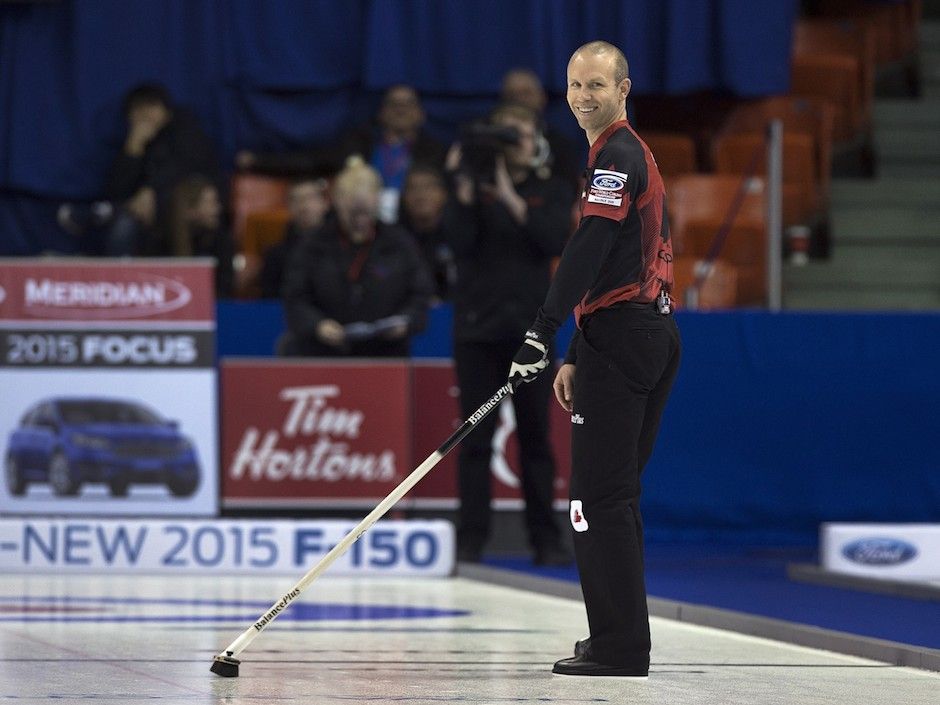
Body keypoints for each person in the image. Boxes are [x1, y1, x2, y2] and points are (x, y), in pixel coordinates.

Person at [507, 41, 681, 678]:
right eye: (576, 85)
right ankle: (621, 637)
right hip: (638, 332)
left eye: (598, 85)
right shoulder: (619, 155)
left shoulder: (618, 154)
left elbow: (590, 246)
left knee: (595, 501)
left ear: (623, 89)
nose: (584, 96)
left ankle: (618, 646)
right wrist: (576, 349)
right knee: (615, 496)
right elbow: (618, 260)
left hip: (627, 338)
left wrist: (543, 329)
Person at [444, 103, 576, 567]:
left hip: (531, 333)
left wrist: (507, 193)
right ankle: (471, 540)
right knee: (475, 438)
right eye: (506, 135)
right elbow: (455, 244)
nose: (512, 143)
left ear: (536, 141)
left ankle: (545, 538)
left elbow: (552, 240)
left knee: (536, 437)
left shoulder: (550, 189)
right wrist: (463, 188)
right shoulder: (471, 192)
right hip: (477, 331)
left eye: (519, 135)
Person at [280, 158, 433, 357]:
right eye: (353, 213)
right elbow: (295, 297)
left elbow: (420, 295)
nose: (359, 221)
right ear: (336, 201)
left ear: (378, 199)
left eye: (365, 213)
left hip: (385, 352)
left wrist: (406, 321)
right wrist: (317, 325)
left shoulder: (400, 243)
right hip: (323, 352)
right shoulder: (312, 245)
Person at [238, 85, 445, 224]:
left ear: (421, 114)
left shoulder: (436, 151)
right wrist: (257, 162)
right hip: (360, 221)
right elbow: (312, 161)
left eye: (407, 104)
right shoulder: (360, 144)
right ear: (381, 113)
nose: (400, 110)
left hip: (412, 224)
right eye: (394, 104)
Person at [103, 83, 220, 256]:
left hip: (184, 203)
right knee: (123, 222)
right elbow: (116, 191)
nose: (144, 115)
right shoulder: (134, 141)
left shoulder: (187, 133)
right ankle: (122, 281)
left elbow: (184, 171)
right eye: (137, 109)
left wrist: (151, 191)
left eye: (151, 106)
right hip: (143, 213)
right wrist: (133, 150)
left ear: (166, 110)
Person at [500, 67, 582, 191]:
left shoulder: (560, 145)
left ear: (542, 98)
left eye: (526, 93)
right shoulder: (488, 139)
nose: (519, 100)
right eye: (512, 94)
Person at [259, 177, 330, 299]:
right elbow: (270, 301)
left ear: (325, 203)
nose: (303, 205)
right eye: (296, 200)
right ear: (288, 207)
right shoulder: (275, 255)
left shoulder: (341, 247)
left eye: (309, 198)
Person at [168, 175, 235, 298]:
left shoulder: (222, 241)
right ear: (189, 210)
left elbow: (225, 288)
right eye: (210, 203)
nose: (217, 209)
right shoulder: (164, 241)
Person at [397, 165, 455, 301]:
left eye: (429, 187)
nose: (421, 195)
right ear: (404, 197)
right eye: (413, 188)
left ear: (444, 193)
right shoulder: (393, 240)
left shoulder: (459, 235)